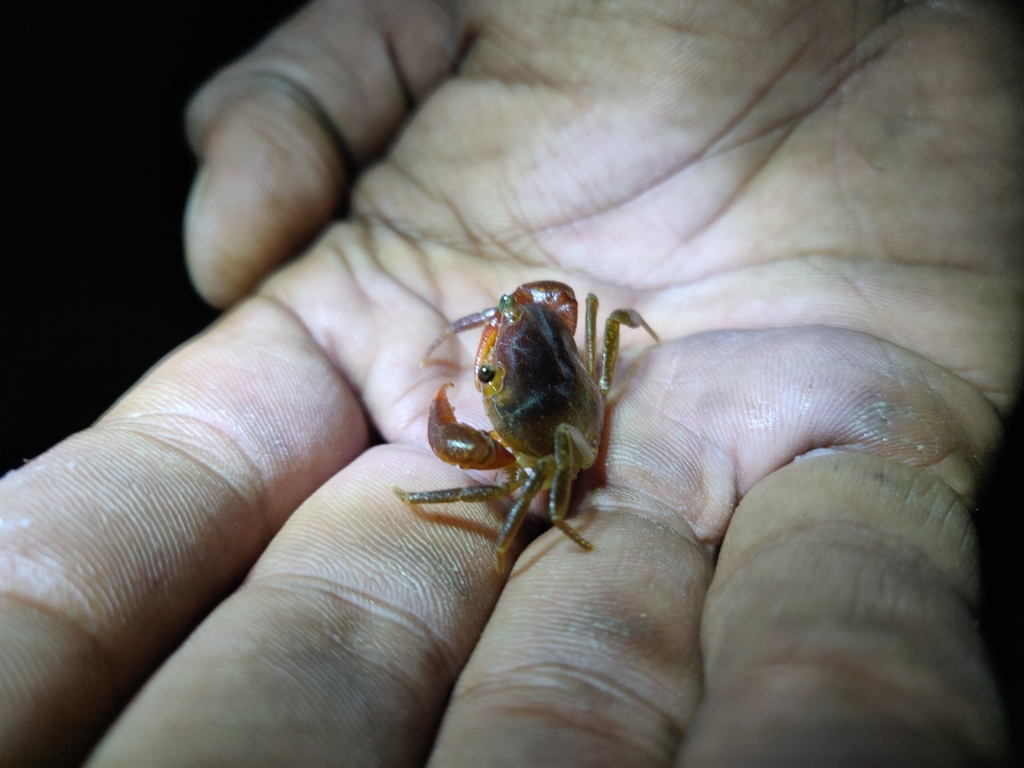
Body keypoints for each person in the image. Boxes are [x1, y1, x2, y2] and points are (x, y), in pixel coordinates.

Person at [2, 0, 1021, 764]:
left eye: (506, 339)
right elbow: (588, 323)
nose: (507, 335)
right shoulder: (567, 331)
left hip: (559, 447)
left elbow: (560, 390)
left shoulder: (548, 388)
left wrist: (509, 468)